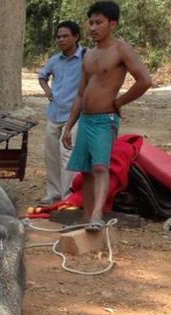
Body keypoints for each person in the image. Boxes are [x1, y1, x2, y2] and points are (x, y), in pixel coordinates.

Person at [61, 1, 152, 231]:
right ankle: (86, 218)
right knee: (85, 170)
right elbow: (81, 93)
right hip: (86, 119)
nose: (93, 27)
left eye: (98, 22)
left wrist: (119, 101)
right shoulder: (88, 54)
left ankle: (97, 216)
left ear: (112, 24)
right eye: (90, 22)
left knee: (101, 167)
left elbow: (145, 80)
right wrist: (69, 125)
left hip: (105, 119)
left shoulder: (121, 49)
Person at [37, 21, 86, 205]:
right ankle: (54, 192)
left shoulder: (86, 57)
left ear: (76, 37)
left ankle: (67, 196)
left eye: (65, 36)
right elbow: (42, 76)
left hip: (74, 116)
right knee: (51, 155)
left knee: (67, 155)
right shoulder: (54, 60)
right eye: (58, 36)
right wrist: (47, 90)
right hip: (54, 113)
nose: (61, 39)